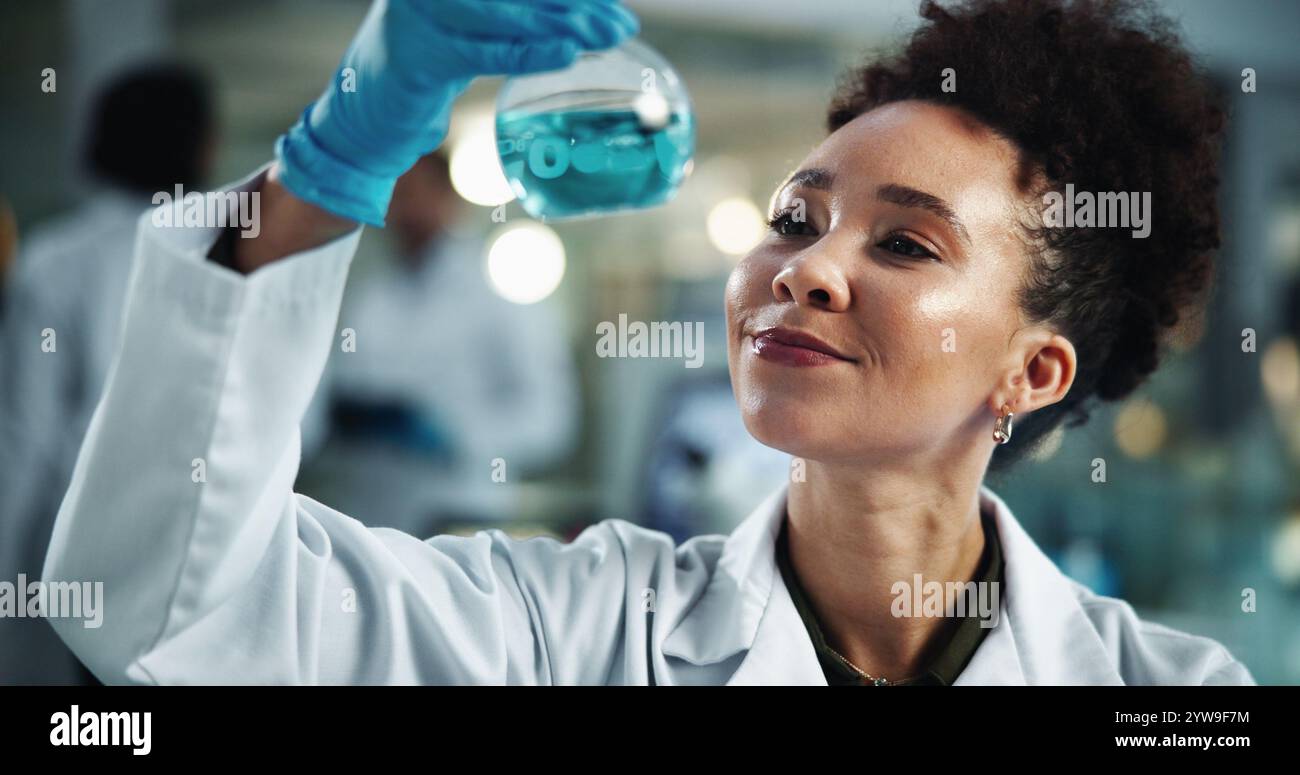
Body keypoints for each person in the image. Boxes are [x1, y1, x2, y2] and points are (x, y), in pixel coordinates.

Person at [43, 0, 1253, 685]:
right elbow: (159, 618)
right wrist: (337, 156)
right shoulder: (559, 631)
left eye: (906, 246)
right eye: (795, 219)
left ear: (1030, 372)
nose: (805, 268)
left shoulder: (1173, 694)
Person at [0, 62, 214, 684]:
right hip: (200, 559)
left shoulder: (55, 261)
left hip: (77, 560)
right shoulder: (222, 250)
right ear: (195, 142)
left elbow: (23, 439)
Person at [301, 151, 579, 535]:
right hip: (369, 519)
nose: (403, 208)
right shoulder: (371, 294)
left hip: (462, 517)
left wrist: (453, 434)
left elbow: (550, 420)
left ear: (449, 199)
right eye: (394, 194)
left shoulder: (499, 288)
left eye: (414, 192)